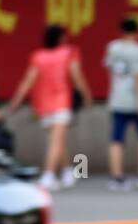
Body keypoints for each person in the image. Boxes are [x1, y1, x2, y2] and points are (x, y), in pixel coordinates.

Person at [6, 25, 92, 190]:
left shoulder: (38, 56)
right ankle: (49, 174)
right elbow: (77, 76)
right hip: (61, 102)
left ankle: (67, 172)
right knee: (56, 141)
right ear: (60, 38)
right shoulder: (69, 52)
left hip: (43, 105)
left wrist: (15, 102)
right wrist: (86, 94)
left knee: (57, 140)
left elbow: (27, 81)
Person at [103, 17, 138, 190]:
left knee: (116, 140)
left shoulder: (112, 48)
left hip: (117, 99)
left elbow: (110, 70)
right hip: (134, 100)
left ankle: (117, 177)